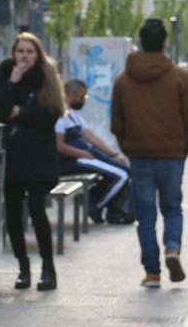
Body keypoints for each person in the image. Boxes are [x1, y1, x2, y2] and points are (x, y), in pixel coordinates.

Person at [110, 18, 188, 288]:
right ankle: (172, 248)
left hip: (140, 156)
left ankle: (152, 272)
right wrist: (183, 149)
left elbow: (117, 123)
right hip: (172, 155)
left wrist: (130, 147)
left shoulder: (124, 80)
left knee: (145, 216)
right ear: (164, 43)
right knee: (172, 208)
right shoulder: (180, 77)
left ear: (140, 42)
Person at [0, 32, 65, 292]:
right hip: (13, 153)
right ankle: (23, 268)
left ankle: (48, 268)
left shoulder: (47, 77)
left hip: (39, 156)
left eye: (29, 51)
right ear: (14, 54)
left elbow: (52, 114)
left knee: (36, 209)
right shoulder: (6, 75)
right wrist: (13, 82)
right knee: (12, 213)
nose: (24, 56)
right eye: (20, 51)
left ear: (38, 54)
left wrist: (20, 112)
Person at [55, 78, 132, 223]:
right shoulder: (60, 117)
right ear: (70, 94)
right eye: (81, 97)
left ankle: (101, 202)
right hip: (75, 159)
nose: (82, 100)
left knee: (124, 169)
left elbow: (92, 137)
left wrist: (113, 155)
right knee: (121, 175)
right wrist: (83, 154)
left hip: (87, 154)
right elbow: (59, 146)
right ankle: (95, 204)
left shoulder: (73, 114)